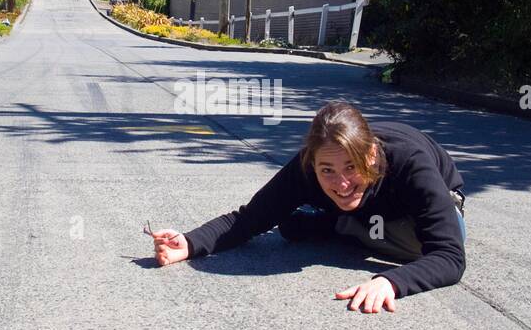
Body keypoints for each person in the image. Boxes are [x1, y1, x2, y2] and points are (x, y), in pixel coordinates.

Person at [148, 101, 466, 314]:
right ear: (312, 162)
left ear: (370, 155)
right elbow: (248, 219)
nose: (341, 183)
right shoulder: (306, 167)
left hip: (410, 219)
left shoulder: (410, 163)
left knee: (417, 248)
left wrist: (390, 282)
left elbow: (449, 255)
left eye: (351, 168)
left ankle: (335, 224)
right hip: (367, 216)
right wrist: (189, 243)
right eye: (327, 170)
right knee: (306, 217)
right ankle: (339, 223)